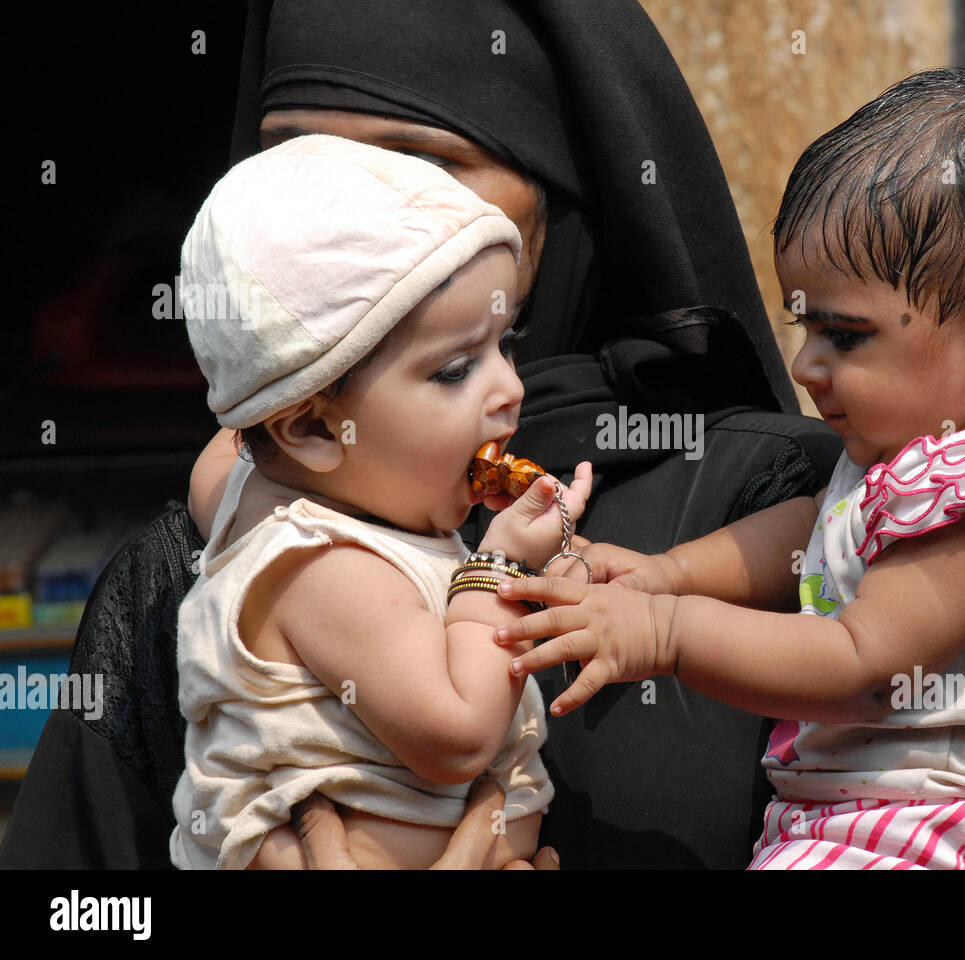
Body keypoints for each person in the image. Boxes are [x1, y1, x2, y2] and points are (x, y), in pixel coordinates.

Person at [1, 0, 842, 870]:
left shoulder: (787, 510)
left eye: (419, 161)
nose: (349, 207)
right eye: (296, 158)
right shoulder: (202, 564)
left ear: (556, 196)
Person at [495, 68, 965, 869]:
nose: (804, 365)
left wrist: (665, 631)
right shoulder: (928, 439)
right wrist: (667, 574)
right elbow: (821, 534)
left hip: (947, 839)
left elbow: (864, 665)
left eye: (843, 336)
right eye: (803, 326)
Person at [169, 134, 594, 869]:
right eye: (456, 369)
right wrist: (495, 565)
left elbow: (228, 451)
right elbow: (458, 737)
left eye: (506, 344)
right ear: (308, 427)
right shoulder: (327, 569)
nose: (510, 389)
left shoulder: (256, 491)